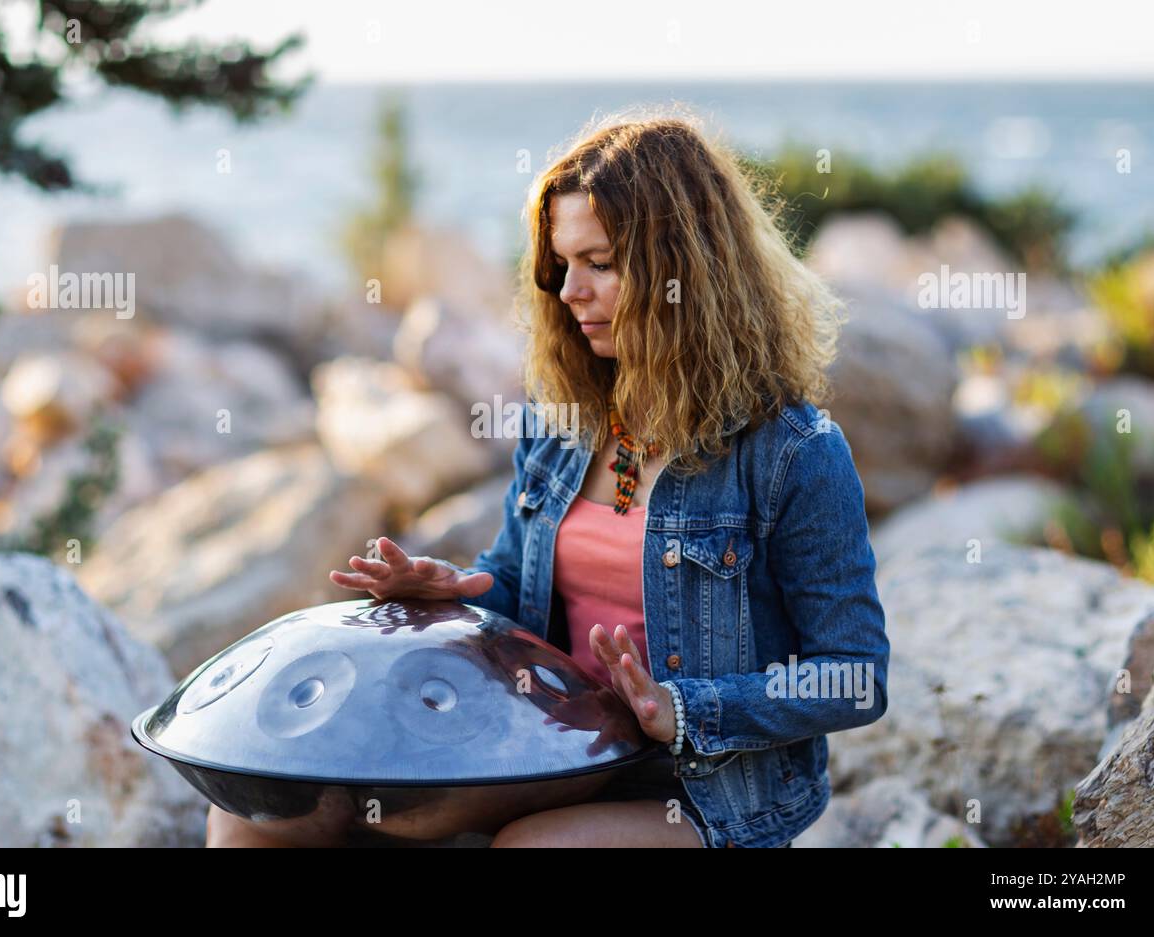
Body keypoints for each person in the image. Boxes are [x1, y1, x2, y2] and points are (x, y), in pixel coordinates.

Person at [207, 106, 889, 848]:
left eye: (600, 263)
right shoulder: (564, 424)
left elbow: (853, 675)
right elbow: (516, 580)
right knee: (256, 812)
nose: (569, 291)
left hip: (700, 784)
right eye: (561, 264)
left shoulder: (794, 452)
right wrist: (453, 589)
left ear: (683, 270)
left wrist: (685, 707)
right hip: (550, 753)